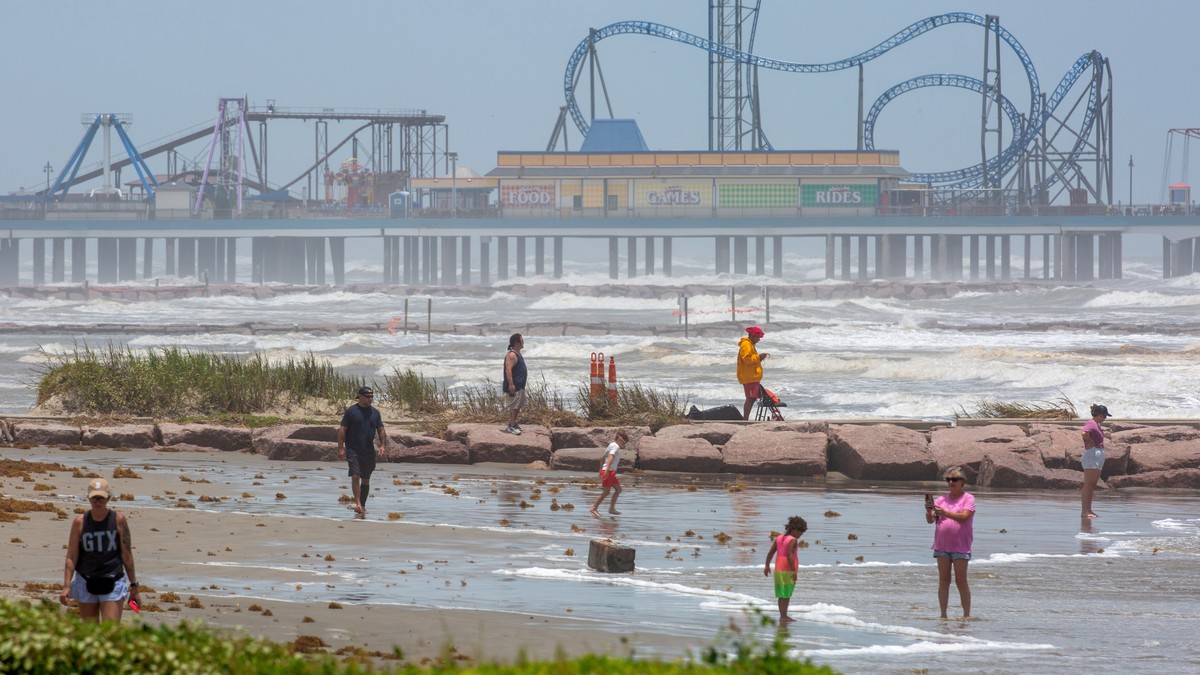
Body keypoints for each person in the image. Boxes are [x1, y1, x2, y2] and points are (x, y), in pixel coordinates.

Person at [59, 478, 141, 622]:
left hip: (113, 581)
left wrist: (133, 585)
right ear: (88, 498)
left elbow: (127, 555)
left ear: (108, 498)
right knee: (91, 632)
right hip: (86, 581)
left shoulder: (118, 520)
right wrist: (66, 586)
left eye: (101, 498)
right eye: (94, 498)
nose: (97, 502)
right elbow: (71, 556)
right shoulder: (80, 522)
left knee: (109, 632)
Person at [926, 466, 975, 619]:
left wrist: (946, 513)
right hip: (942, 546)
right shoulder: (941, 499)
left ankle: (966, 615)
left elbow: (964, 517)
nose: (951, 482)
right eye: (948, 479)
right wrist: (929, 510)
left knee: (961, 581)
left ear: (962, 481)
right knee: (943, 581)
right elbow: (930, 520)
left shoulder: (968, 498)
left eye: (954, 479)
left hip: (961, 546)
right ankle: (943, 615)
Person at [338, 386, 388, 516]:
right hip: (353, 449)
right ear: (360, 396)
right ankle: (358, 504)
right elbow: (342, 429)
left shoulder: (375, 413)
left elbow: (381, 430)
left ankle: (362, 505)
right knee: (355, 475)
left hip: (368, 450)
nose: (370, 399)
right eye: (367, 396)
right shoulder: (351, 411)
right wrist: (341, 447)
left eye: (371, 397)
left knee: (366, 479)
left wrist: (382, 445)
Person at [762, 515, 806, 624]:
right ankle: (784, 616)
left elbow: (771, 552)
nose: (800, 535)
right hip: (787, 569)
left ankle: (782, 616)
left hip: (778, 569)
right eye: (800, 532)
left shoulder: (779, 538)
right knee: (786, 594)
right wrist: (793, 571)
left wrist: (767, 566)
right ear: (795, 530)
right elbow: (790, 554)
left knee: (781, 593)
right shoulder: (793, 540)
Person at [1080, 403, 1111, 519]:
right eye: (1104, 416)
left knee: (1092, 484)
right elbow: (1084, 433)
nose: (1105, 418)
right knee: (1088, 484)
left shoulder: (1096, 424)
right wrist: (1090, 441)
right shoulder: (1091, 423)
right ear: (1098, 415)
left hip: (1098, 453)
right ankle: (1084, 511)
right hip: (1092, 454)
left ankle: (1089, 509)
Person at [590, 429, 627, 517]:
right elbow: (610, 456)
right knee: (606, 492)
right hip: (609, 471)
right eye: (624, 443)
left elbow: (603, 458)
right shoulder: (615, 446)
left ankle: (611, 509)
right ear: (620, 439)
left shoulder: (611, 445)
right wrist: (606, 470)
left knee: (618, 490)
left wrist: (600, 469)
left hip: (609, 471)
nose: (624, 445)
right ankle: (593, 508)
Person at [737, 326, 770, 420]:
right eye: (758, 337)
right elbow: (747, 360)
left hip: (751, 376)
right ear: (752, 336)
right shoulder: (746, 345)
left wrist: (758, 358)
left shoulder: (749, 344)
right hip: (749, 377)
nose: (759, 339)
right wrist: (759, 357)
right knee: (750, 398)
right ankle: (745, 419)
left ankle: (745, 418)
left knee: (752, 398)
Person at [502, 333, 527, 435]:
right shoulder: (511, 355)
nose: (523, 342)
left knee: (518, 405)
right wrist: (511, 385)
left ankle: (514, 423)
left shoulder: (518, 354)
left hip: (520, 385)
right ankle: (511, 426)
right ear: (517, 343)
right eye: (522, 340)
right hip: (514, 386)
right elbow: (508, 370)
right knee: (514, 406)